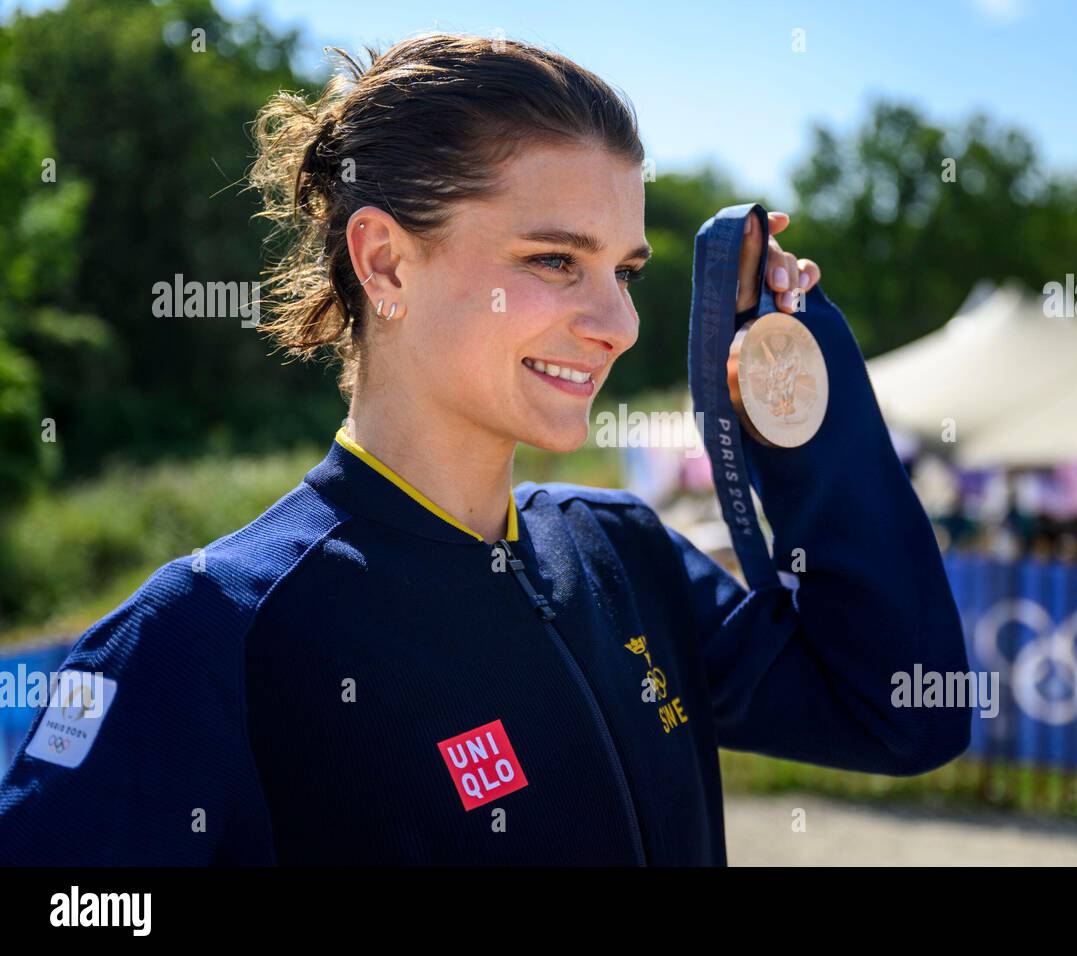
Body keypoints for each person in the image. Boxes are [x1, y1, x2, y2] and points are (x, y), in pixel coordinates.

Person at [0, 32, 971, 865]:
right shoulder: (209, 632)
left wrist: (797, 393)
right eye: (555, 259)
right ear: (385, 260)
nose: (618, 323)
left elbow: (905, 711)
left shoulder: (620, 554)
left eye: (623, 270)